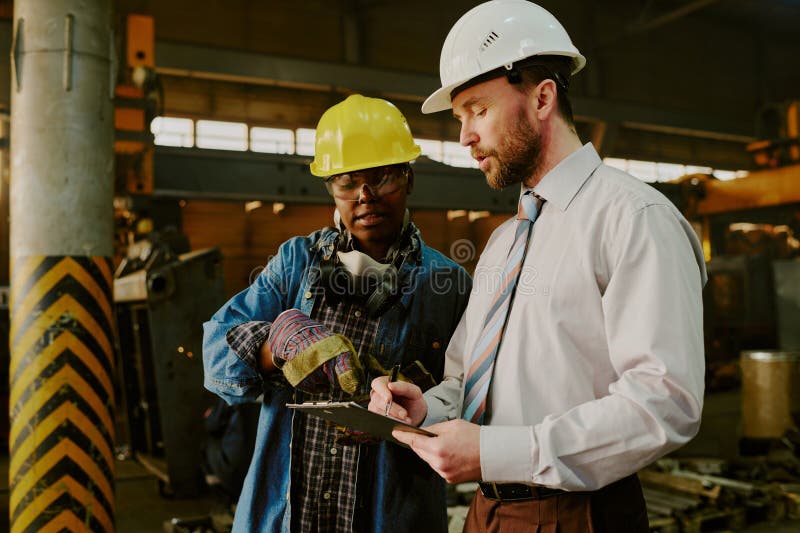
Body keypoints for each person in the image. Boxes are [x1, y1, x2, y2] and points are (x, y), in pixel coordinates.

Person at [369, 1, 707, 531]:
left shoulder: (633, 218)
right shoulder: (506, 242)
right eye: (460, 117)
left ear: (543, 96)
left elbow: (664, 403)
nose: (464, 137)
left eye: (478, 109)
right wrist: (427, 409)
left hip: (579, 513)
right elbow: (466, 377)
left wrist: (499, 451)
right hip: (488, 511)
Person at [202, 94, 471, 532]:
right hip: (286, 516)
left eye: (381, 177)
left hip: (390, 513)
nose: (365, 196)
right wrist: (275, 344)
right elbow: (216, 353)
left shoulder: (448, 285)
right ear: (330, 187)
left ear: (408, 177)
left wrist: (410, 413)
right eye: (346, 181)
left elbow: (474, 396)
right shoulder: (295, 263)